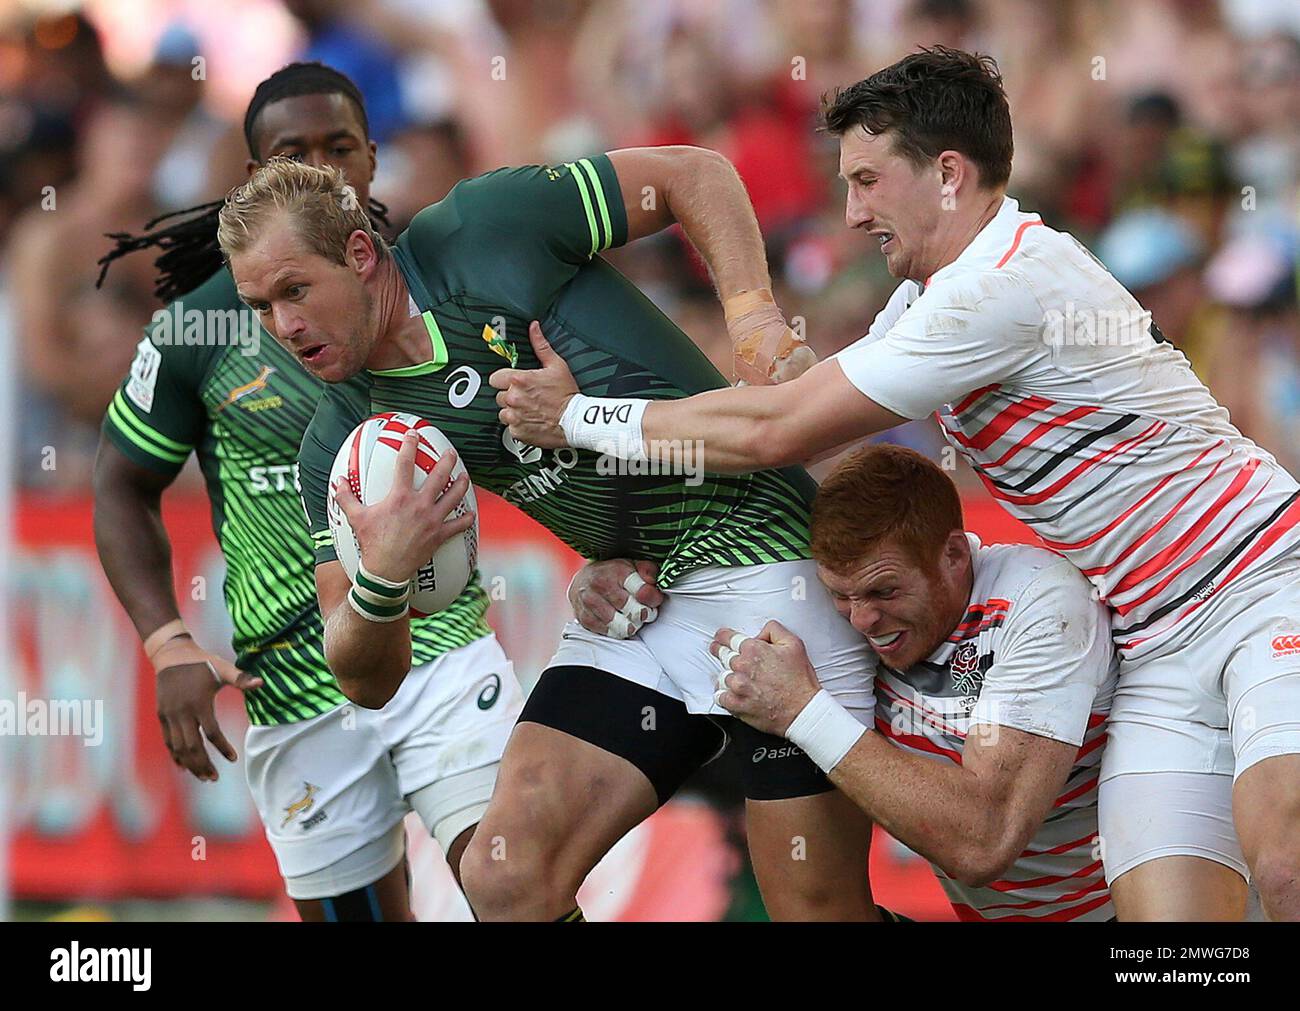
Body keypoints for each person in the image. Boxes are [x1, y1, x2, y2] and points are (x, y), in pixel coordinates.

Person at [493, 47, 1300, 921]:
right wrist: (630, 550)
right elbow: (793, 405)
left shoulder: (999, 288)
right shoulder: (930, 298)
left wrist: (581, 420)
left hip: (1259, 581)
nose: (849, 214)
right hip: (1148, 637)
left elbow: (776, 431)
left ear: (948, 175)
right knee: (1174, 948)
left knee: (1287, 860)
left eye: (869, 181)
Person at [220, 151, 878, 922]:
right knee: (506, 879)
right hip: (639, 611)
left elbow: (691, 174)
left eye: (295, 290)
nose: (284, 327)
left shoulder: (482, 228)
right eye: (260, 306)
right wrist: (383, 580)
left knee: (818, 912)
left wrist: (754, 320)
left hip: (767, 552)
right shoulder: (341, 441)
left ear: (361, 255)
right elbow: (365, 676)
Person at [94, 62, 524, 922]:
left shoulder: (437, 284)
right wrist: (168, 643)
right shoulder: (204, 326)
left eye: (342, 148)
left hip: (438, 648)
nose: (328, 171)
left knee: (514, 885)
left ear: (373, 155)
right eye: (298, 152)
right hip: (290, 683)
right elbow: (119, 486)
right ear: (259, 176)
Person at [713, 443, 1116, 921]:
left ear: (953, 554)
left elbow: (984, 842)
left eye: (884, 591)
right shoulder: (839, 609)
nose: (863, 620)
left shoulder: (1044, 602)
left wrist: (804, 712)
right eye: (841, 595)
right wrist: (616, 584)